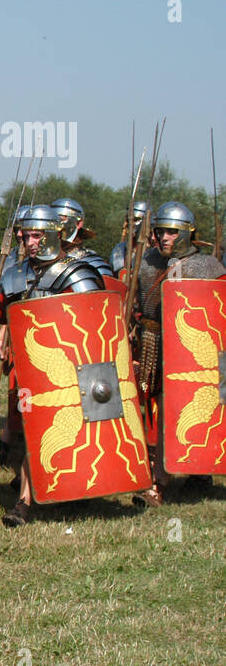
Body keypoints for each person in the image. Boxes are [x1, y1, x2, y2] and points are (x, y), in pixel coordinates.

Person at [0, 205, 104, 526]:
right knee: (31, 430)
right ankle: (24, 502)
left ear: (54, 236)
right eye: (26, 235)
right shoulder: (16, 274)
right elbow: (1, 313)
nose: (29, 242)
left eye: (37, 235)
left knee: (76, 432)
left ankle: (81, 487)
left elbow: (93, 324)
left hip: (72, 369)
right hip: (32, 368)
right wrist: (1, 333)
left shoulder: (77, 273)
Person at [132, 201, 226, 506]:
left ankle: (162, 482)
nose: (164, 238)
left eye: (171, 232)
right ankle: (159, 470)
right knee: (153, 406)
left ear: (187, 233)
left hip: (192, 352)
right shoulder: (147, 262)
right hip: (152, 344)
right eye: (160, 231)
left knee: (191, 409)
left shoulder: (208, 267)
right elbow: (138, 305)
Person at [51, 198, 117, 280]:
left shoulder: (92, 263)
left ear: (78, 223)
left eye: (61, 219)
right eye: (51, 220)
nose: (55, 225)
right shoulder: (39, 260)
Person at [110, 200, 150, 276]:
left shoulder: (150, 252)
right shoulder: (118, 250)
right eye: (127, 220)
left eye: (135, 220)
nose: (127, 224)